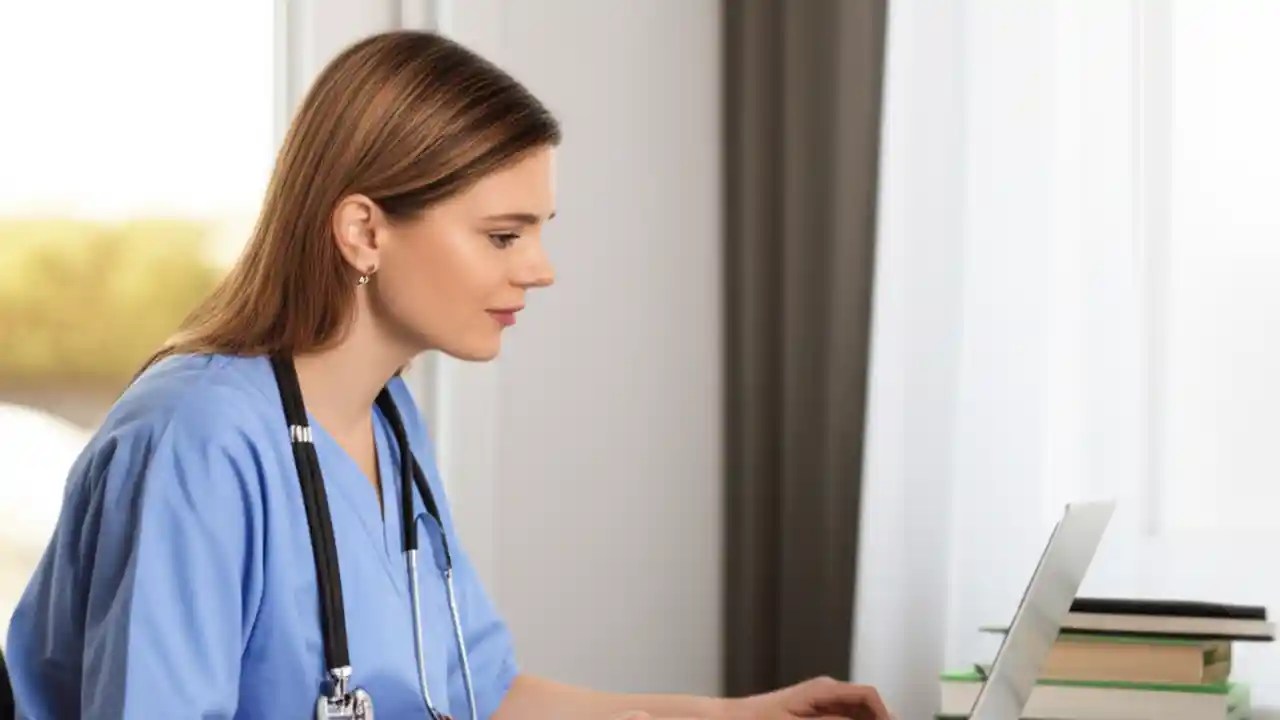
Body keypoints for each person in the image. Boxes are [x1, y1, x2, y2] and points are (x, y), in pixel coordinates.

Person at [4, 31, 888, 720]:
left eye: (538, 231)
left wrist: (737, 714)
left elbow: (477, 694)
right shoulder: (196, 441)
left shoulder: (387, 418)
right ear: (364, 231)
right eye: (503, 236)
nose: (540, 269)